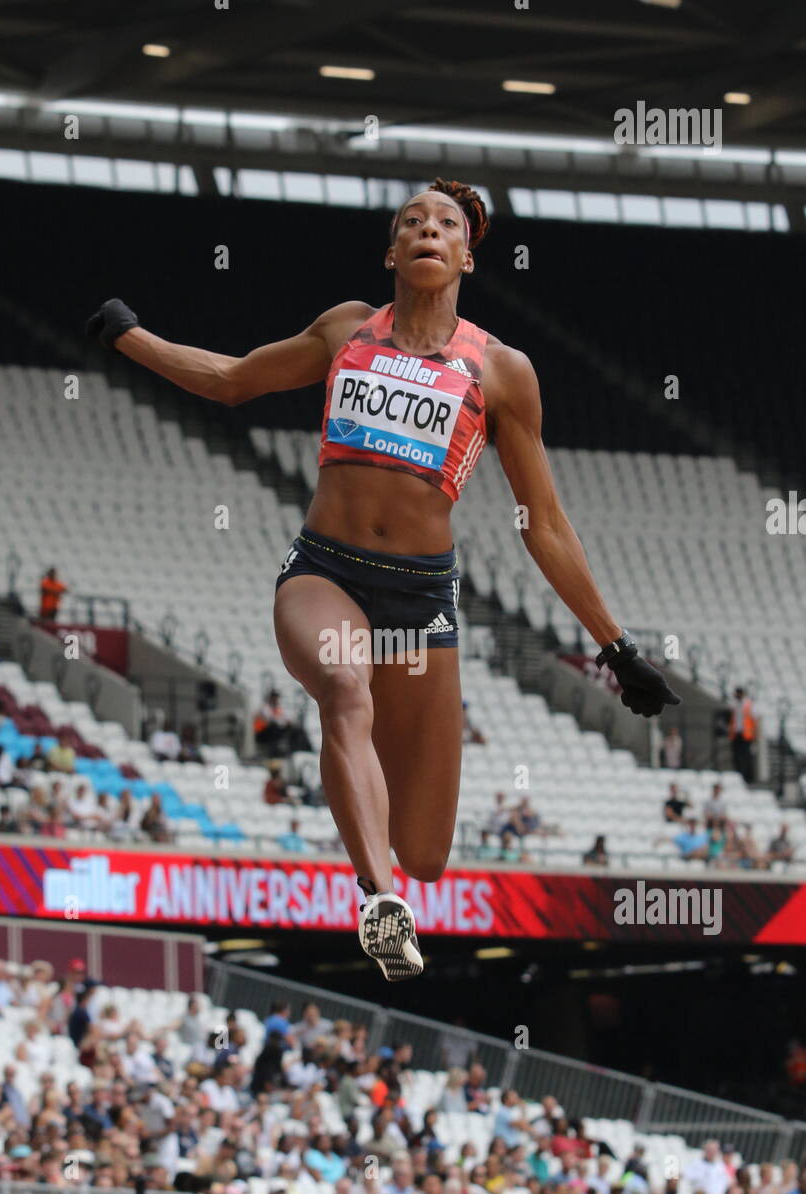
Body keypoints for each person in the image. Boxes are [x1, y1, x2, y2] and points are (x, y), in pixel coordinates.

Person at [87, 178, 678, 981]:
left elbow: (542, 521)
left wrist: (617, 647)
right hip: (325, 571)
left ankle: (401, 876)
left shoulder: (502, 372)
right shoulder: (345, 330)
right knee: (344, 689)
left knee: (429, 851)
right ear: (391, 251)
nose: (429, 231)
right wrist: (129, 337)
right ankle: (376, 901)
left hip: (420, 600)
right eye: (412, 222)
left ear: (468, 255)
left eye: (446, 225)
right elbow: (232, 380)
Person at [728, 686, 757, 784]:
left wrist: (753, 735)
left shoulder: (748, 704)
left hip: (746, 734)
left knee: (746, 756)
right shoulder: (734, 704)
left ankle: (748, 777)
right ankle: (738, 776)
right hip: (736, 733)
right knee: (736, 756)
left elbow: (753, 720)